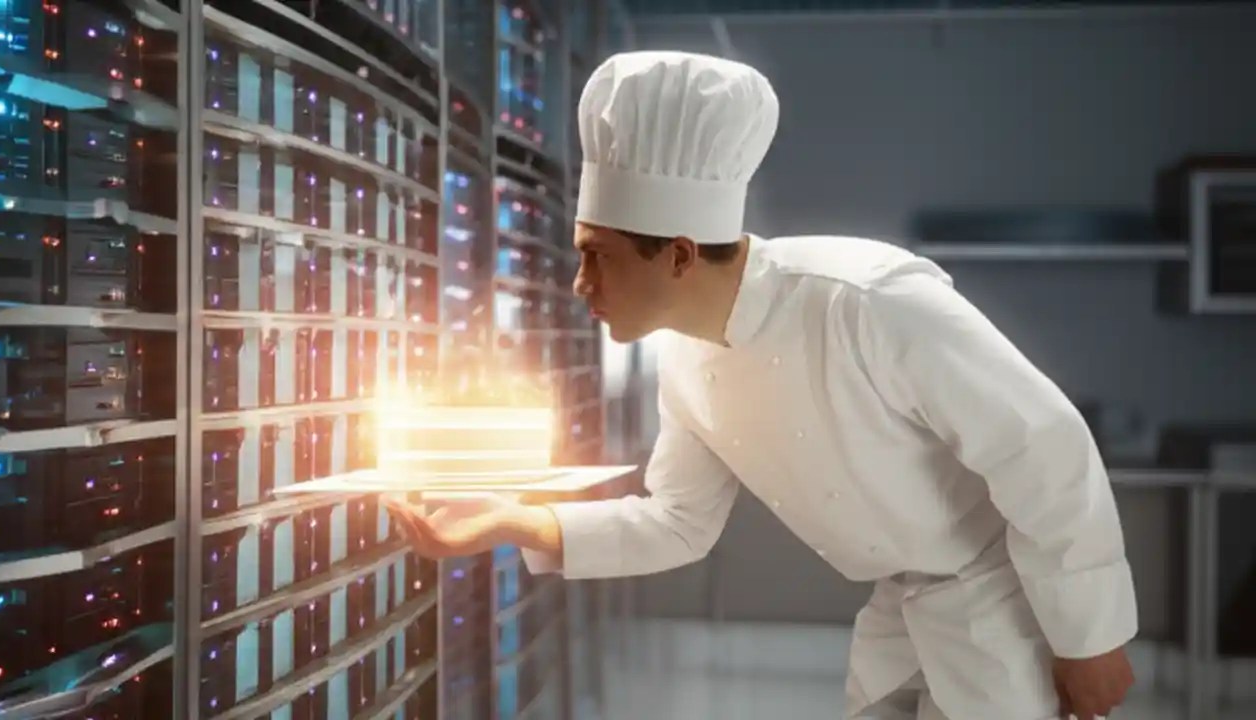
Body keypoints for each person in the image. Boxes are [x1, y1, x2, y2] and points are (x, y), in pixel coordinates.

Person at [388, 50, 1137, 720]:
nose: (580, 282)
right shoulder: (685, 361)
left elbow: (1043, 444)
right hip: (901, 617)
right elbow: (679, 522)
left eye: (598, 257)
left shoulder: (867, 299)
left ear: (678, 254)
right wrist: (512, 520)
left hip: (1011, 616)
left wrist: (1090, 639)